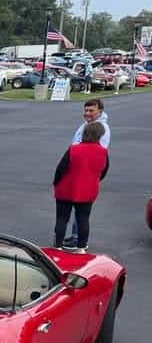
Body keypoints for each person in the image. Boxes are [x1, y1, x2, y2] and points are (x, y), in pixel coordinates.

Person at [53, 121, 109, 252]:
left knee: (62, 218)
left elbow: (61, 168)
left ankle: (58, 246)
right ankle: (81, 247)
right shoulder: (103, 152)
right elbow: (104, 171)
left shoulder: (74, 149)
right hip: (88, 190)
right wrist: (93, 180)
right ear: (99, 135)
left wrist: (56, 183)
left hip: (66, 189)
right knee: (83, 219)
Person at [65, 99, 111, 245]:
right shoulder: (87, 125)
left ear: (100, 111)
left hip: (85, 175)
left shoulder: (101, 129)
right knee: (78, 208)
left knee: (82, 211)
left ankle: (78, 240)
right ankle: (75, 235)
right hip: (78, 173)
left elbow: (99, 155)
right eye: (86, 110)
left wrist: (94, 176)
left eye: (91, 111)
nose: (87, 113)